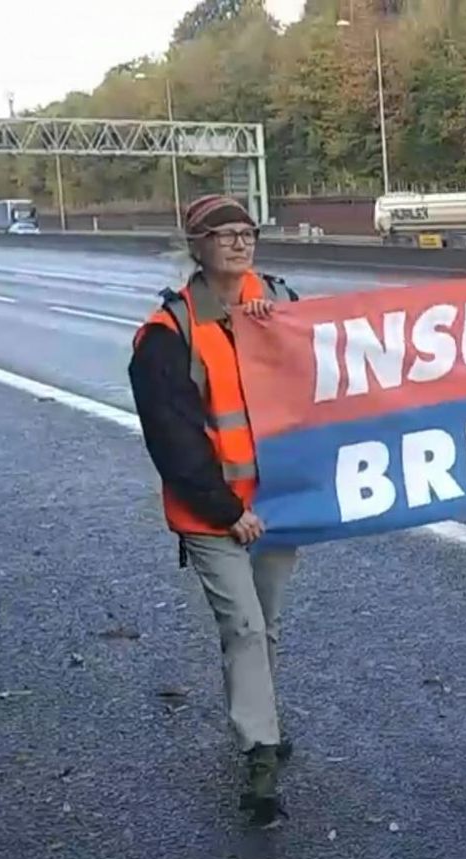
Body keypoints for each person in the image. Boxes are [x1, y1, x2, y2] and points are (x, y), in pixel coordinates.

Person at [127, 194, 301, 826]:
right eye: (221, 234)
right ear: (195, 247)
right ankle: (260, 754)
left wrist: (275, 335)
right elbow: (173, 439)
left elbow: (325, 379)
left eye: (246, 232)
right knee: (246, 628)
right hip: (212, 514)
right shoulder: (166, 334)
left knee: (268, 625)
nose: (237, 243)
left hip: (280, 503)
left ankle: (266, 722)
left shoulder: (281, 303)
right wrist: (227, 510)